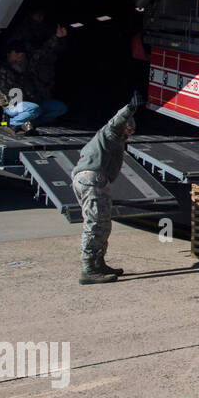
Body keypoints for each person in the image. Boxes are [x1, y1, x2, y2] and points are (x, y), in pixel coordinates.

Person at [72, 92, 144, 284]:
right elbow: (116, 121)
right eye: (129, 130)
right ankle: (88, 269)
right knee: (95, 223)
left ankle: (98, 262)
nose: (129, 134)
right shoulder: (110, 133)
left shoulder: (112, 140)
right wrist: (130, 108)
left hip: (93, 180)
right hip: (91, 179)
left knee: (103, 223)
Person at [0, 27, 68, 132]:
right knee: (33, 109)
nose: (20, 57)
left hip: (33, 102)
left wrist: (57, 37)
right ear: (9, 54)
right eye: (16, 54)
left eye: (21, 54)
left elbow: (44, 51)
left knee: (60, 108)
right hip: (13, 106)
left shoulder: (28, 65)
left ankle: (29, 122)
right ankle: (11, 124)